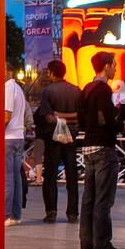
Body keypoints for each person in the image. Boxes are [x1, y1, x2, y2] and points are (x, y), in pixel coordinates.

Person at [77, 52, 125, 249]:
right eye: (114, 65)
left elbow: (82, 118)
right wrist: (121, 124)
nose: (115, 69)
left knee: (89, 196)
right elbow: (106, 119)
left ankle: (86, 241)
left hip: (88, 146)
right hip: (104, 147)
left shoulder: (87, 88)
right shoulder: (103, 89)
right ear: (106, 66)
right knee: (103, 199)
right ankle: (103, 244)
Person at [38, 60, 81, 224]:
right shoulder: (76, 90)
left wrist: (57, 115)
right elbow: (80, 116)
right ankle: (72, 213)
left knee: (50, 176)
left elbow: (49, 118)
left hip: (54, 137)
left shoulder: (47, 91)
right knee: (72, 176)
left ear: (51, 73)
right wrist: (70, 117)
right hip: (71, 136)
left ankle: (51, 212)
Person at [3, 65, 27, 226]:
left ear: (8, 71)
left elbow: (6, 115)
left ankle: (5, 215)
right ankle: (16, 214)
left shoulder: (8, 88)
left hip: (8, 137)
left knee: (7, 179)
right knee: (16, 178)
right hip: (18, 136)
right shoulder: (18, 88)